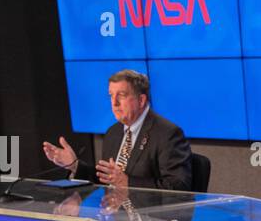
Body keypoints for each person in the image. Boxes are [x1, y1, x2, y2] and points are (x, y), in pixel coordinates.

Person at [42, 69, 193, 191]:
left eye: (121, 95)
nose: (114, 103)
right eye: (111, 96)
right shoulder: (113, 133)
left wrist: (128, 182)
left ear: (141, 100)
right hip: (116, 217)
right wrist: (74, 165)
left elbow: (178, 187)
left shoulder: (167, 134)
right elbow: (106, 181)